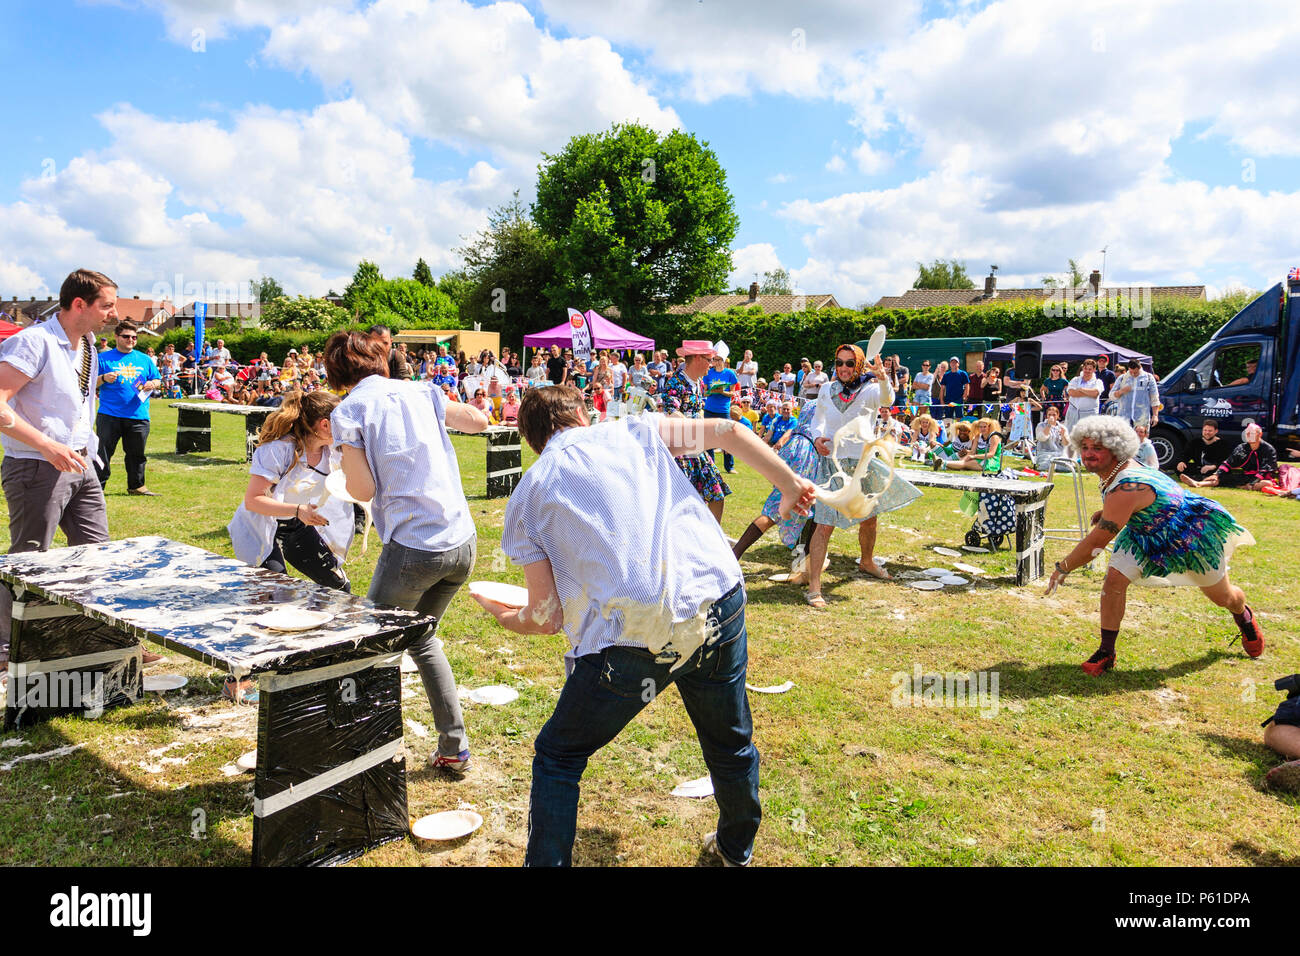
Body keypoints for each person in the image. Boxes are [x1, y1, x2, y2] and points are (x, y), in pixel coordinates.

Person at [473, 384, 816, 866]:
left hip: (632, 640)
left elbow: (545, 617)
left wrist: (502, 614)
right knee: (730, 741)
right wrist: (788, 483)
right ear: (583, 413)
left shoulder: (529, 494)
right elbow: (727, 430)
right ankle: (736, 850)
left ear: (532, 440)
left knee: (559, 755)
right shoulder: (635, 428)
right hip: (716, 601)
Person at [325, 330, 491, 774]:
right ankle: (453, 748)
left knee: (372, 648)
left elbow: (362, 488)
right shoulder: (424, 390)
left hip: (414, 548)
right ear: (380, 359)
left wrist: (342, 466)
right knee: (422, 637)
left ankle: (362, 749)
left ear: (336, 373)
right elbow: (478, 421)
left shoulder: (350, 410)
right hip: (461, 541)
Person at [1046, 415, 1263, 675]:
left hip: (1188, 537)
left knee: (1223, 597)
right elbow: (1132, 505)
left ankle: (1244, 616)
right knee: (1114, 581)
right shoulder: (1116, 472)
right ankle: (1106, 651)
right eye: (1085, 447)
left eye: (1098, 448)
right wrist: (1107, 513)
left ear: (1116, 450)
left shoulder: (1127, 486)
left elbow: (1097, 541)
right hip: (1143, 533)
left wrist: (1063, 567)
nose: (1089, 454)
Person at [0, 270, 121, 672]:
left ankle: (98, 640)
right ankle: (7, 648)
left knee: (96, 554)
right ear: (78, 304)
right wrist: (49, 446)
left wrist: (84, 452)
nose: (114, 314)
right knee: (29, 560)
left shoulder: (87, 343)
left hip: (82, 464)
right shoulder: (32, 343)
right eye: (107, 305)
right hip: (36, 467)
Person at [804, 344, 921, 606]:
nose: (843, 368)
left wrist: (882, 377)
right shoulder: (826, 388)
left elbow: (888, 400)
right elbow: (818, 419)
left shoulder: (869, 390)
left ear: (857, 365)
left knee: (869, 518)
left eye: (849, 363)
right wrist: (816, 437)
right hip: (831, 464)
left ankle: (867, 561)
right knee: (824, 525)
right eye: (839, 362)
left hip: (863, 463)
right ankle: (814, 588)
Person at [661, 341, 731, 523]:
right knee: (681, 506)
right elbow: (672, 413)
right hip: (680, 453)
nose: (713, 364)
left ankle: (711, 540)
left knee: (717, 495)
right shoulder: (675, 383)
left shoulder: (698, 383)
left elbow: (697, 412)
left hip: (697, 448)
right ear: (698, 359)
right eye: (710, 360)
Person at [93, 320, 163, 497]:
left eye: (134, 337)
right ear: (116, 337)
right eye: (126, 336)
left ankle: (137, 486)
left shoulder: (145, 359)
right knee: (103, 453)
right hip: (109, 414)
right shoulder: (103, 358)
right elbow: (88, 383)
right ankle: (96, 488)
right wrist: (103, 378)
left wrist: (152, 384)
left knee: (137, 454)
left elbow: (157, 379)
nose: (131, 339)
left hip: (138, 415)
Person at [1181, 423, 1278, 491]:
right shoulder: (1242, 447)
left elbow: (1267, 469)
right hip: (1246, 476)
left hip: (1261, 478)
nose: (1249, 435)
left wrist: (1253, 483)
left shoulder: (1268, 449)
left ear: (1259, 434)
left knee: (1267, 484)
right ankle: (1198, 484)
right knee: (1219, 478)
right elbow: (1228, 462)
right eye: (1247, 433)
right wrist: (1217, 474)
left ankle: (1246, 486)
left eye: (1252, 433)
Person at [702, 351, 739, 474]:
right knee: (708, 438)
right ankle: (710, 465)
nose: (716, 362)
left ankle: (730, 466)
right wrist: (713, 391)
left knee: (727, 438)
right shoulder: (708, 373)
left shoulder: (730, 374)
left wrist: (722, 392)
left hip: (723, 410)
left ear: (724, 361)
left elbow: (733, 393)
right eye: (715, 359)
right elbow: (705, 393)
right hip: (709, 408)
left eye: (719, 359)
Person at [1176, 420, 1233, 485]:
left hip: (1214, 469)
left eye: (1210, 431)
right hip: (1199, 468)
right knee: (1179, 467)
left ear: (1216, 431)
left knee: (1223, 473)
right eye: (1205, 430)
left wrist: (1213, 466)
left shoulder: (1223, 444)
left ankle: (1197, 479)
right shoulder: (1195, 442)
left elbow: (1227, 461)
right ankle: (1200, 478)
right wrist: (1182, 461)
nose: (1207, 433)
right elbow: (1186, 454)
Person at [1110, 358, 1161, 426]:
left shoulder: (1148, 377)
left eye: (1136, 372)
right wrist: (1121, 391)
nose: (1133, 374)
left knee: (1141, 436)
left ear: (1140, 368)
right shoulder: (1122, 378)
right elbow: (1111, 396)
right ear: (1128, 369)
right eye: (1131, 372)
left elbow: (1154, 397)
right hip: (1124, 418)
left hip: (1142, 419)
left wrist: (1155, 415)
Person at [1065, 359, 1102, 432]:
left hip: (1089, 415)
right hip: (1073, 413)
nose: (1087, 371)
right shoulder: (1075, 380)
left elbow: (1095, 394)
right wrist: (1088, 393)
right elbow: (1071, 393)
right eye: (1085, 368)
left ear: (1094, 369)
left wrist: (1081, 389)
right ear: (1083, 368)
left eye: (1090, 369)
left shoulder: (1098, 382)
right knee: (1070, 436)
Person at [1033, 405, 1069, 471]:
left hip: (1059, 454)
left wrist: (1063, 435)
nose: (1051, 416)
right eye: (1049, 414)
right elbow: (1041, 438)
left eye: (1054, 415)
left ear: (1058, 416)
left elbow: (1066, 444)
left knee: (1066, 467)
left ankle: (1057, 465)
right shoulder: (1041, 425)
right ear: (1046, 416)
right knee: (1046, 466)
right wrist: (1049, 425)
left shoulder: (1062, 427)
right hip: (1045, 453)